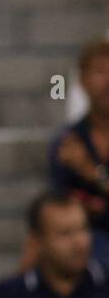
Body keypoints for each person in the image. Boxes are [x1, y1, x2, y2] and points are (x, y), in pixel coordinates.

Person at [51, 39, 109, 269]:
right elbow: (60, 205)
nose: (107, 81)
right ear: (83, 81)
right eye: (100, 72)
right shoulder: (69, 141)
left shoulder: (78, 154)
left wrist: (91, 172)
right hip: (88, 240)